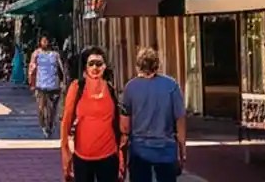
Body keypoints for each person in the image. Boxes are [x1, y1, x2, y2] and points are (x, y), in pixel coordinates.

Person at [121, 47, 186, 182]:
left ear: (138, 66)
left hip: (139, 150)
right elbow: (180, 119)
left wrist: (123, 153)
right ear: (157, 65)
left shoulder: (130, 88)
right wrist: (182, 150)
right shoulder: (171, 85)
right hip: (166, 150)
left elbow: (125, 126)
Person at [60, 46, 123, 182]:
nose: (95, 67)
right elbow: (66, 122)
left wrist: (121, 158)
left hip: (108, 155)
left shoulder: (110, 89)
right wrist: (66, 158)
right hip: (82, 157)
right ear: (85, 67)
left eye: (99, 64)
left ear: (104, 66)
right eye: (91, 63)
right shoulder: (77, 88)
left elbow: (117, 124)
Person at [28, 35, 66, 138]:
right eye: (43, 41)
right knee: (41, 108)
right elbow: (31, 69)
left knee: (52, 109)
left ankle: (50, 125)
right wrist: (31, 83)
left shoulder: (55, 55)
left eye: (46, 41)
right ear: (40, 42)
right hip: (40, 86)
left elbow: (62, 69)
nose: (45, 43)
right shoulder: (36, 54)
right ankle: (43, 126)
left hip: (54, 86)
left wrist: (63, 82)